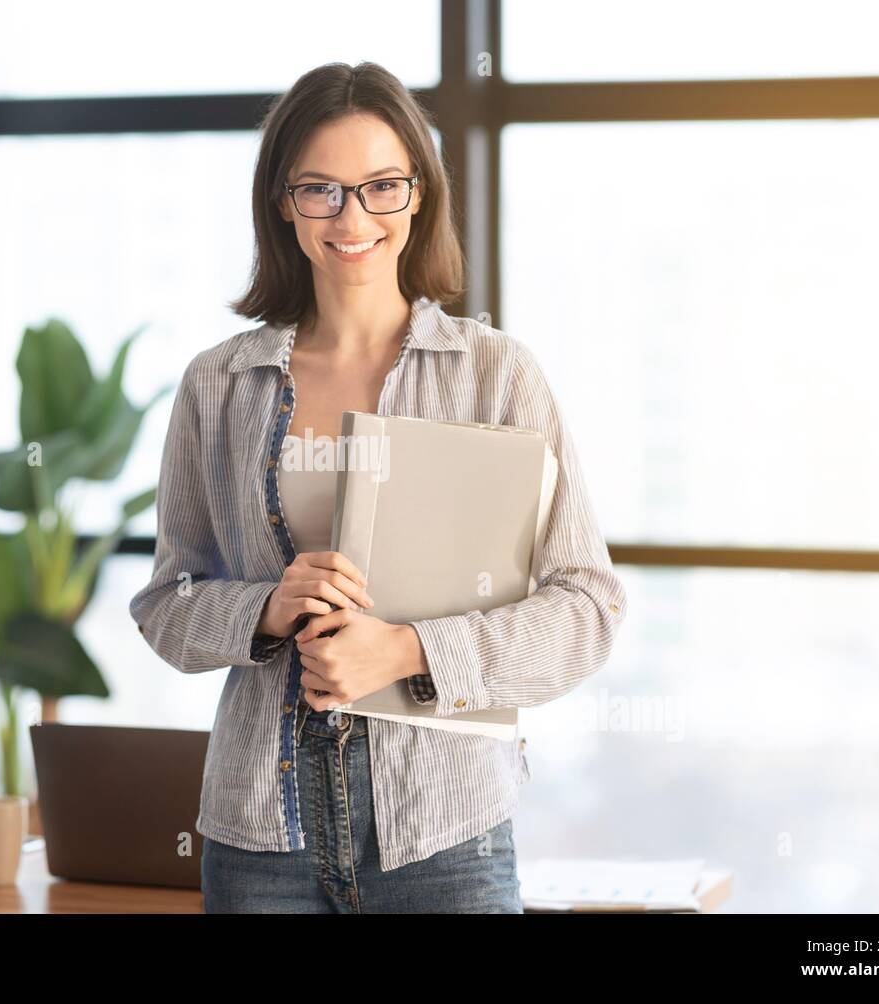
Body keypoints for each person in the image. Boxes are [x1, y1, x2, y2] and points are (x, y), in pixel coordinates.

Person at [129, 61, 627, 913]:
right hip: (260, 841)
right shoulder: (218, 386)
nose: (352, 217)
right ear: (282, 201)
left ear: (418, 196)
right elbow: (167, 607)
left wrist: (408, 651)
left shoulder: (496, 375)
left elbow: (587, 609)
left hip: (446, 834)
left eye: (381, 187)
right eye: (320, 189)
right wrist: (264, 608)